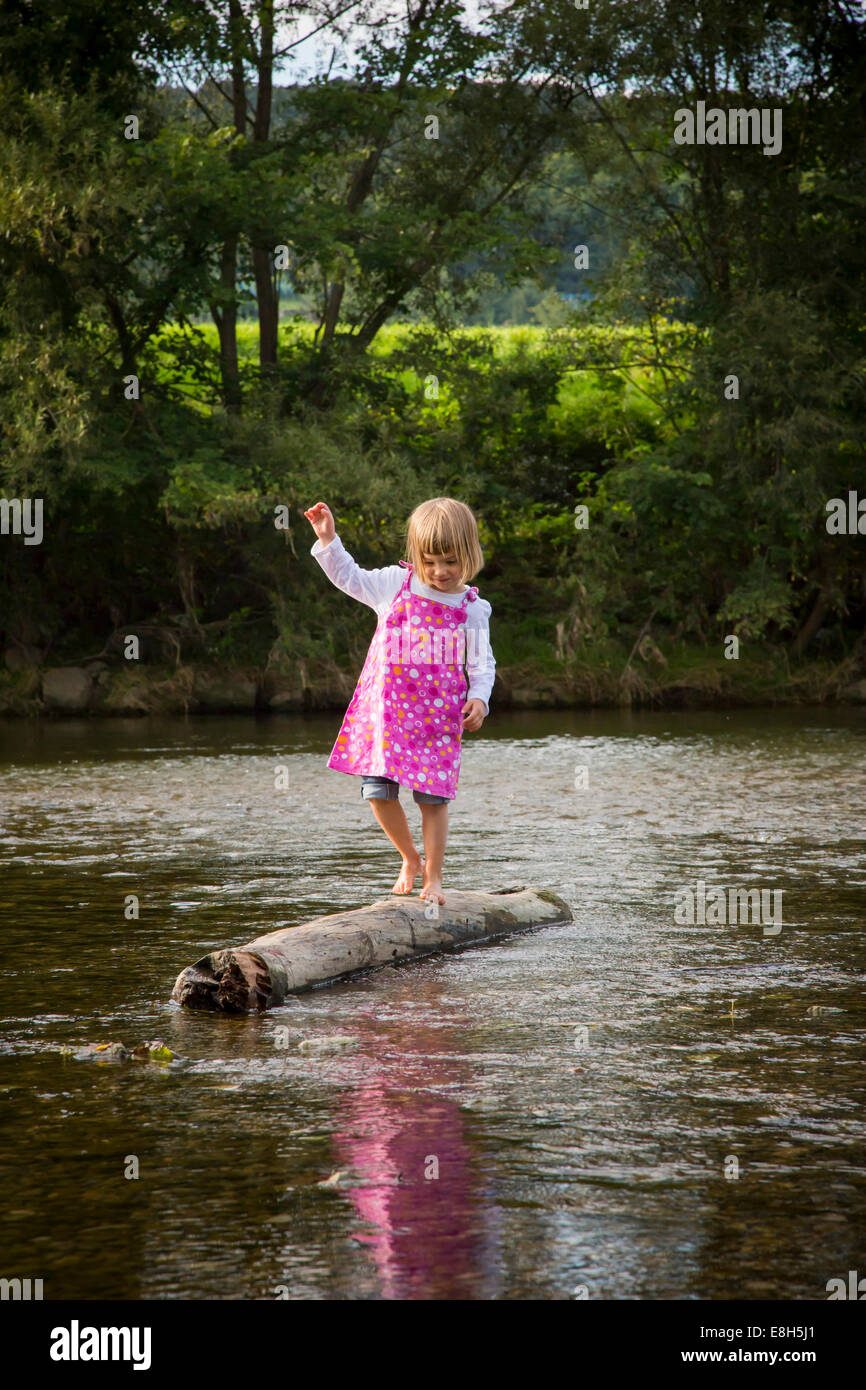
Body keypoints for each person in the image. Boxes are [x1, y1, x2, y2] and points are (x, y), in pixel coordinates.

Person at [304, 497, 495, 906]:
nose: (440, 572)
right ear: (416, 557)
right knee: (376, 791)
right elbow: (349, 577)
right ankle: (409, 858)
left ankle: (434, 876)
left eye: (450, 561)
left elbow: (482, 664)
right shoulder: (395, 585)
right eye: (430, 562)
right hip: (385, 717)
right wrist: (329, 539)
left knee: (432, 799)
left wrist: (479, 700)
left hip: (436, 722)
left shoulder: (471, 609)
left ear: (470, 554)